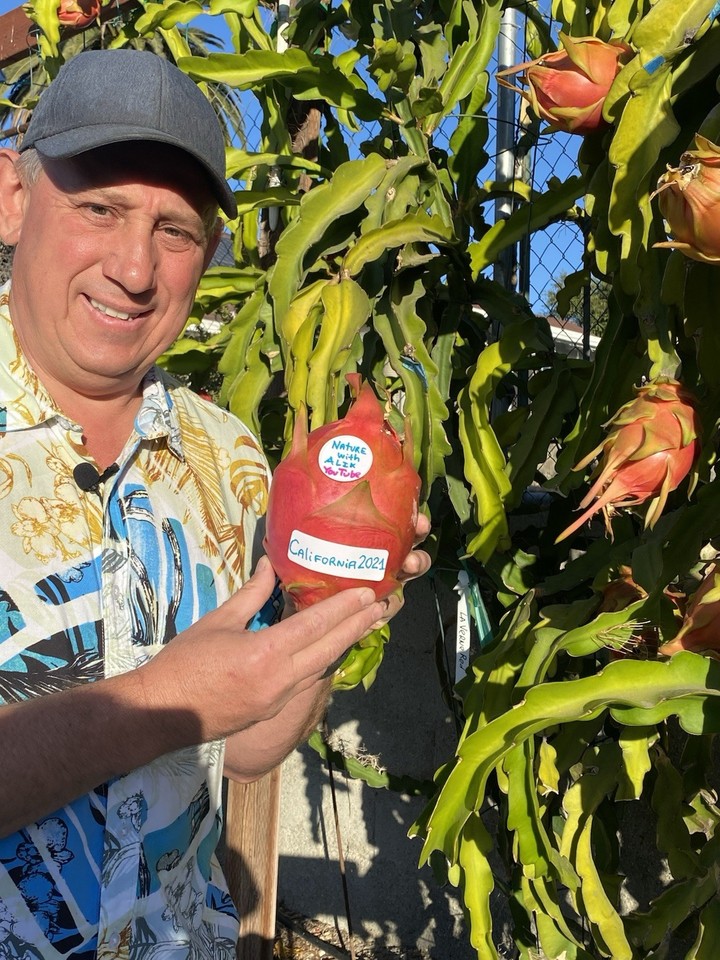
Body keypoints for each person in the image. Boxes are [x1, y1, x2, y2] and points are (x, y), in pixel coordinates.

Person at [0, 49, 430, 959]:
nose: (135, 267)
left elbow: (245, 747)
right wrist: (163, 698)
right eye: (100, 209)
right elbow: (192, 706)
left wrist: (331, 612)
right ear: (11, 197)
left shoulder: (229, 454)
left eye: (177, 231)